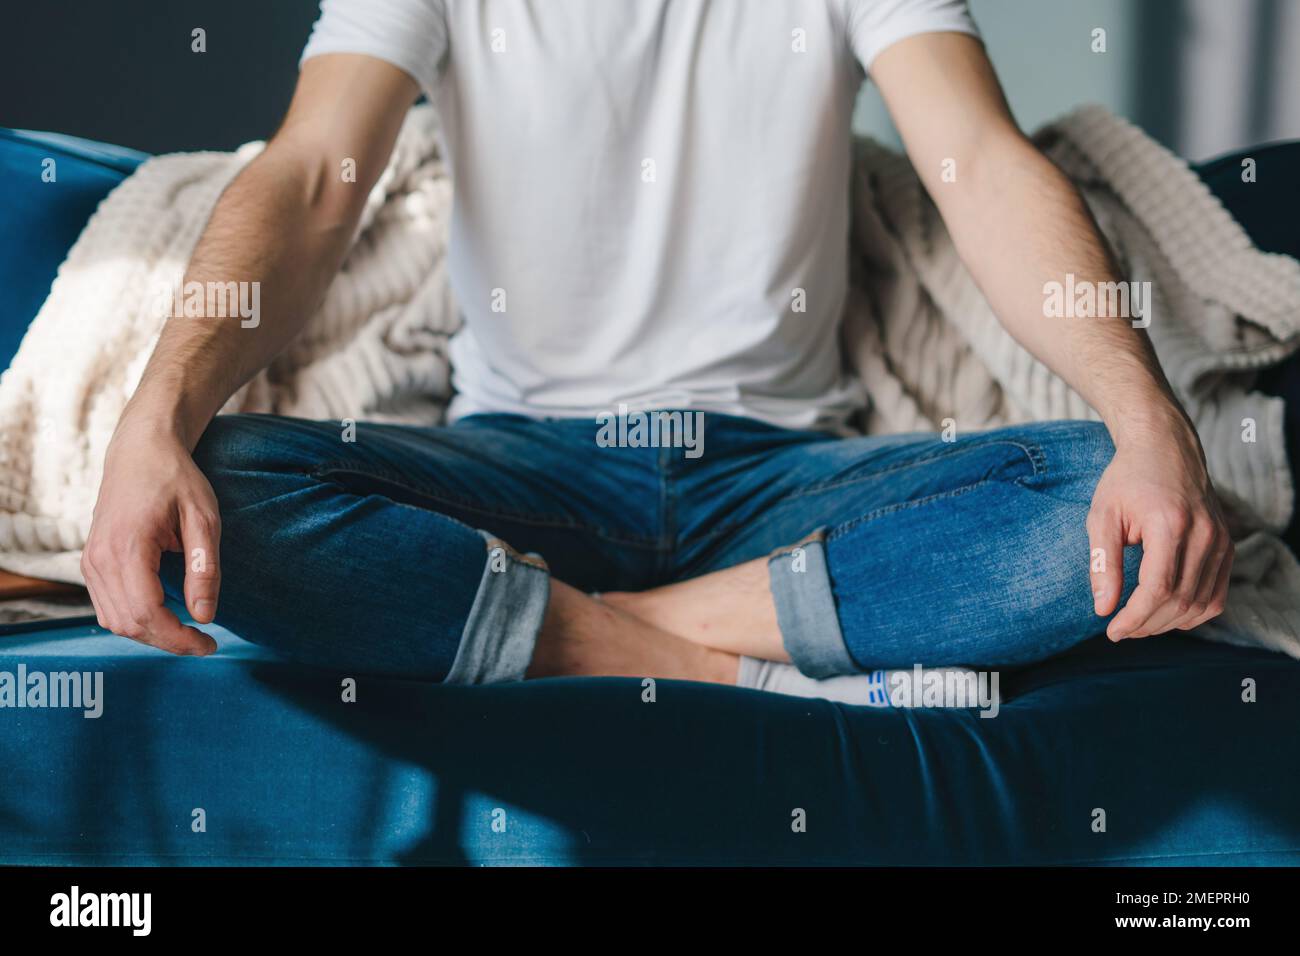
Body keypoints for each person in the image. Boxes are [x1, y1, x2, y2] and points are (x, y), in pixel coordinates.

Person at [80, 0, 1232, 699]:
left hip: (779, 474)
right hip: (517, 467)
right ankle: (737, 661)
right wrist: (154, 418)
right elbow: (311, 176)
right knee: (220, 481)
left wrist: (1148, 420)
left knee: (1102, 488)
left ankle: (562, 622)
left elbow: (977, 163)